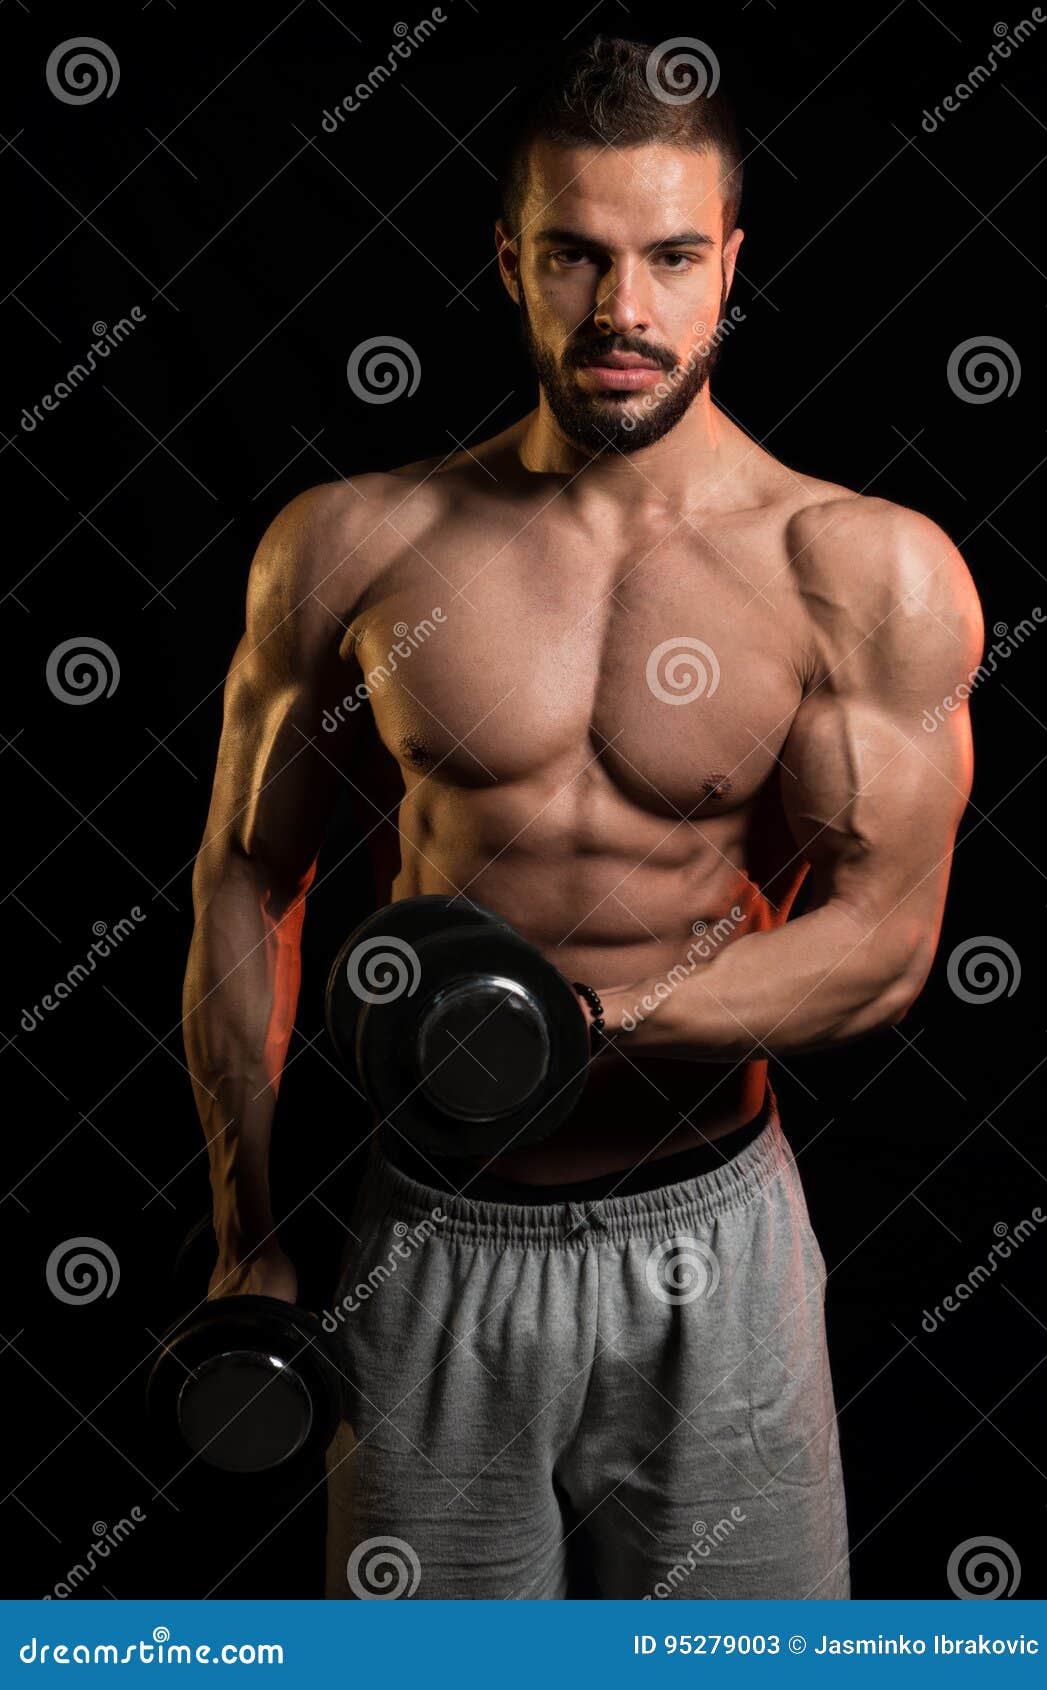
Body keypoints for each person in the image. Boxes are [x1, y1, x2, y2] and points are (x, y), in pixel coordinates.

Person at [183, 35, 983, 1599]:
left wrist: (569, 1020)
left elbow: (886, 947)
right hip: (427, 1247)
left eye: (673, 257)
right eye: (578, 257)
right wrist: (245, 1231)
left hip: (716, 1245)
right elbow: (243, 877)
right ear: (510, 260)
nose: (624, 310)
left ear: (730, 265)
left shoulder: (855, 568)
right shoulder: (356, 546)